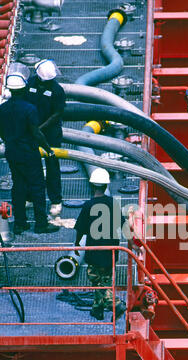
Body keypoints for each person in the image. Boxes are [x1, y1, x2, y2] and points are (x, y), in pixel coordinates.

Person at [0, 70, 60, 235]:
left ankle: (20, 223)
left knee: (18, 186)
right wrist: (48, 149)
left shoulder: (2, 109)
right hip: (29, 152)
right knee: (37, 186)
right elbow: (36, 133)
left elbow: (2, 132)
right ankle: (41, 223)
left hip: (12, 152)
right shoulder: (29, 109)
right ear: (23, 88)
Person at [74, 168, 127, 321]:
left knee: (96, 280)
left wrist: (77, 245)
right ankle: (97, 309)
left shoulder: (88, 205)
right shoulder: (113, 203)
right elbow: (122, 225)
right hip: (110, 252)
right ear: (105, 186)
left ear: (92, 186)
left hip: (94, 252)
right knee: (105, 279)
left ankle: (115, 305)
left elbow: (80, 229)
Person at [26, 59, 66, 217]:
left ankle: (56, 200)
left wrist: (40, 128)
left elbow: (58, 113)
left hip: (50, 135)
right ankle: (29, 196)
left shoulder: (57, 90)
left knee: (52, 167)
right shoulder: (30, 85)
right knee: (31, 164)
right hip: (31, 132)